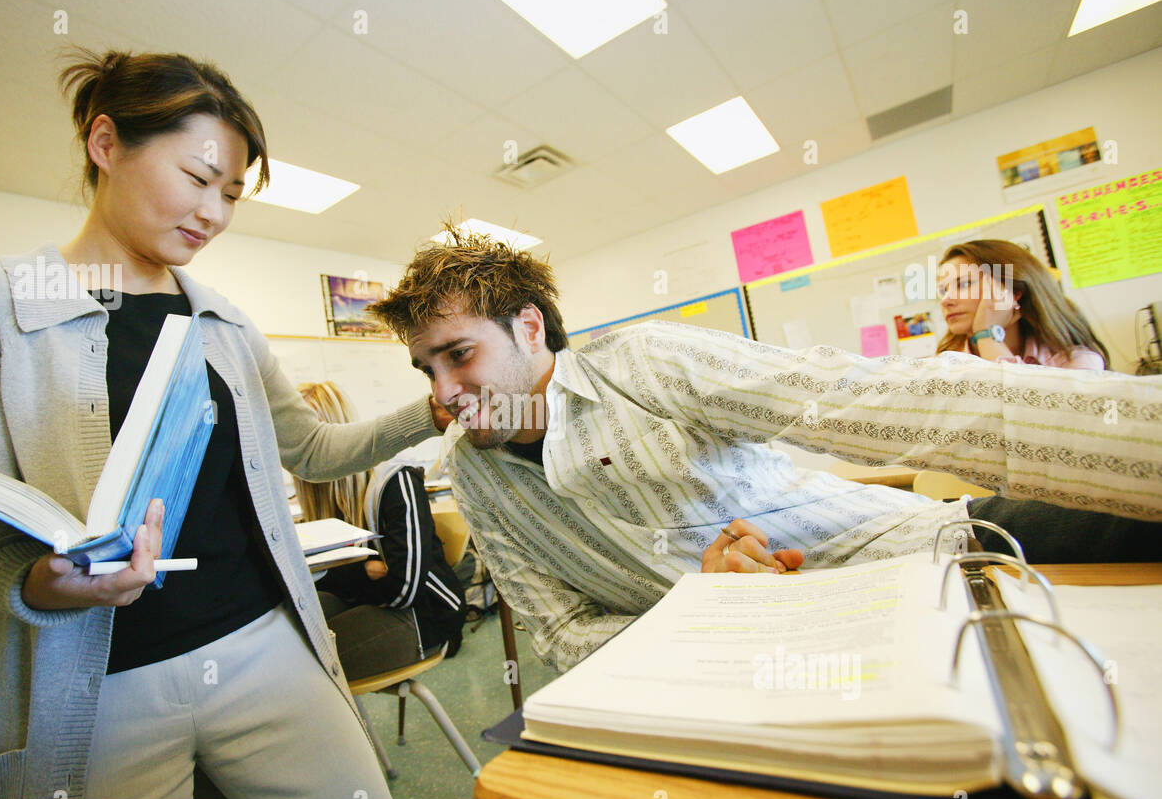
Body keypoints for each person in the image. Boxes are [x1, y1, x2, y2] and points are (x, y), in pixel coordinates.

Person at [0, 50, 442, 799]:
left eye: (229, 195)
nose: (215, 214)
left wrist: (434, 413)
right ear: (105, 144)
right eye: (197, 179)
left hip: (263, 647)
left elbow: (315, 449)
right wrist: (40, 580)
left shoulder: (224, 321)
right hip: (96, 685)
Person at [368, 224, 1162, 672]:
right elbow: (559, 633)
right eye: (426, 367)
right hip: (748, 672)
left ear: (530, 328)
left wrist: (1138, 441)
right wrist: (705, 616)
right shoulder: (476, 480)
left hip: (915, 556)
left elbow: (886, 402)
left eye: (459, 354)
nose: (441, 393)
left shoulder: (642, 365)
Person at [294, 382, 467, 680]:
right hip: (369, 601)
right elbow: (315, 581)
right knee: (293, 628)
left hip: (427, 613)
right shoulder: (317, 495)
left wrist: (346, 573)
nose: (301, 448)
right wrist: (363, 570)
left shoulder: (394, 480)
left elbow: (403, 589)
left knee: (305, 665)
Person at [936, 239, 1110, 370]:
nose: (946, 300)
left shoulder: (1076, 362)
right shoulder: (941, 368)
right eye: (943, 290)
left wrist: (987, 334)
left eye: (964, 284)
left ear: (1014, 292)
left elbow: (1021, 410)